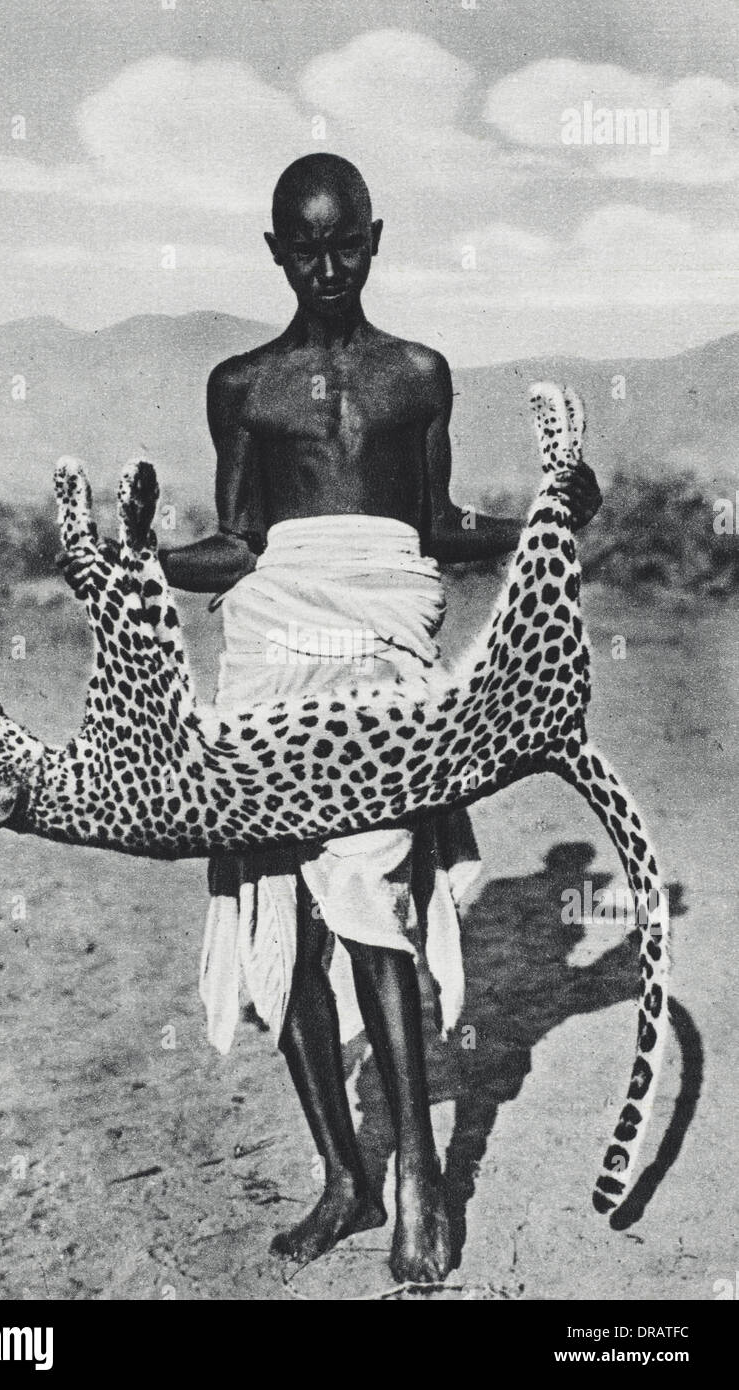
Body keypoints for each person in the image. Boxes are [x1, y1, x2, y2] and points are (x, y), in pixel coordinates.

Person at [63, 153, 601, 1281]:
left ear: (374, 237)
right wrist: (136, 564)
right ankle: (345, 1179)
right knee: (281, 920)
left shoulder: (419, 375)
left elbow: (437, 522)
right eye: (303, 247)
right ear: (272, 250)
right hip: (267, 657)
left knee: (371, 899)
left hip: (377, 667)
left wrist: (544, 521)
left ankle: (419, 1180)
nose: (325, 266)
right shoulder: (242, 384)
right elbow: (241, 545)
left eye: (344, 243)